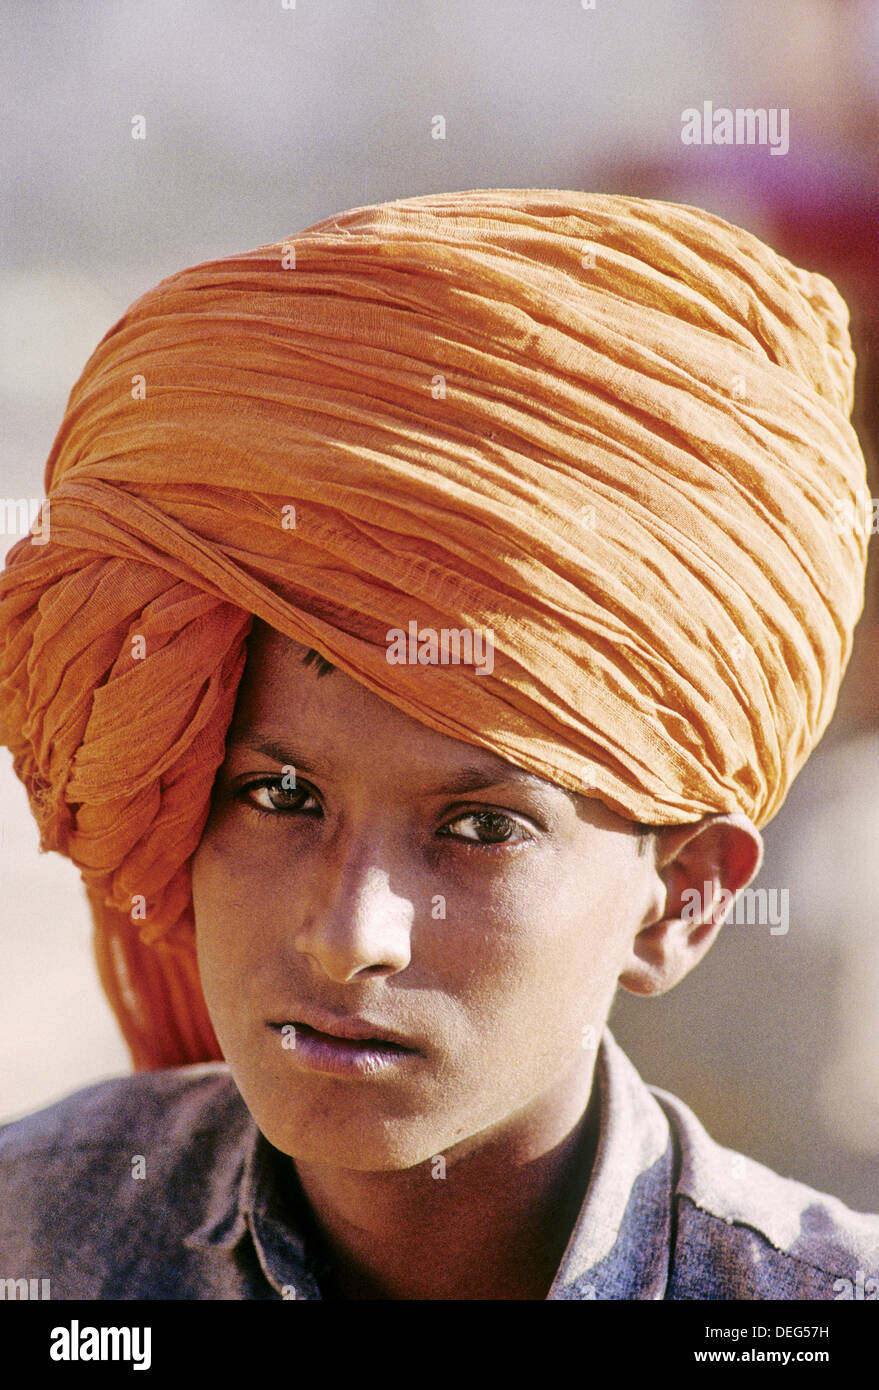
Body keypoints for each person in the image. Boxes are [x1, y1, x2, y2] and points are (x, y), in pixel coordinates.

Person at [0, 189, 876, 1301]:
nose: (349, 935)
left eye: (479, 827)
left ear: (683, 899)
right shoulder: (34, 1244)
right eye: (279, 794)